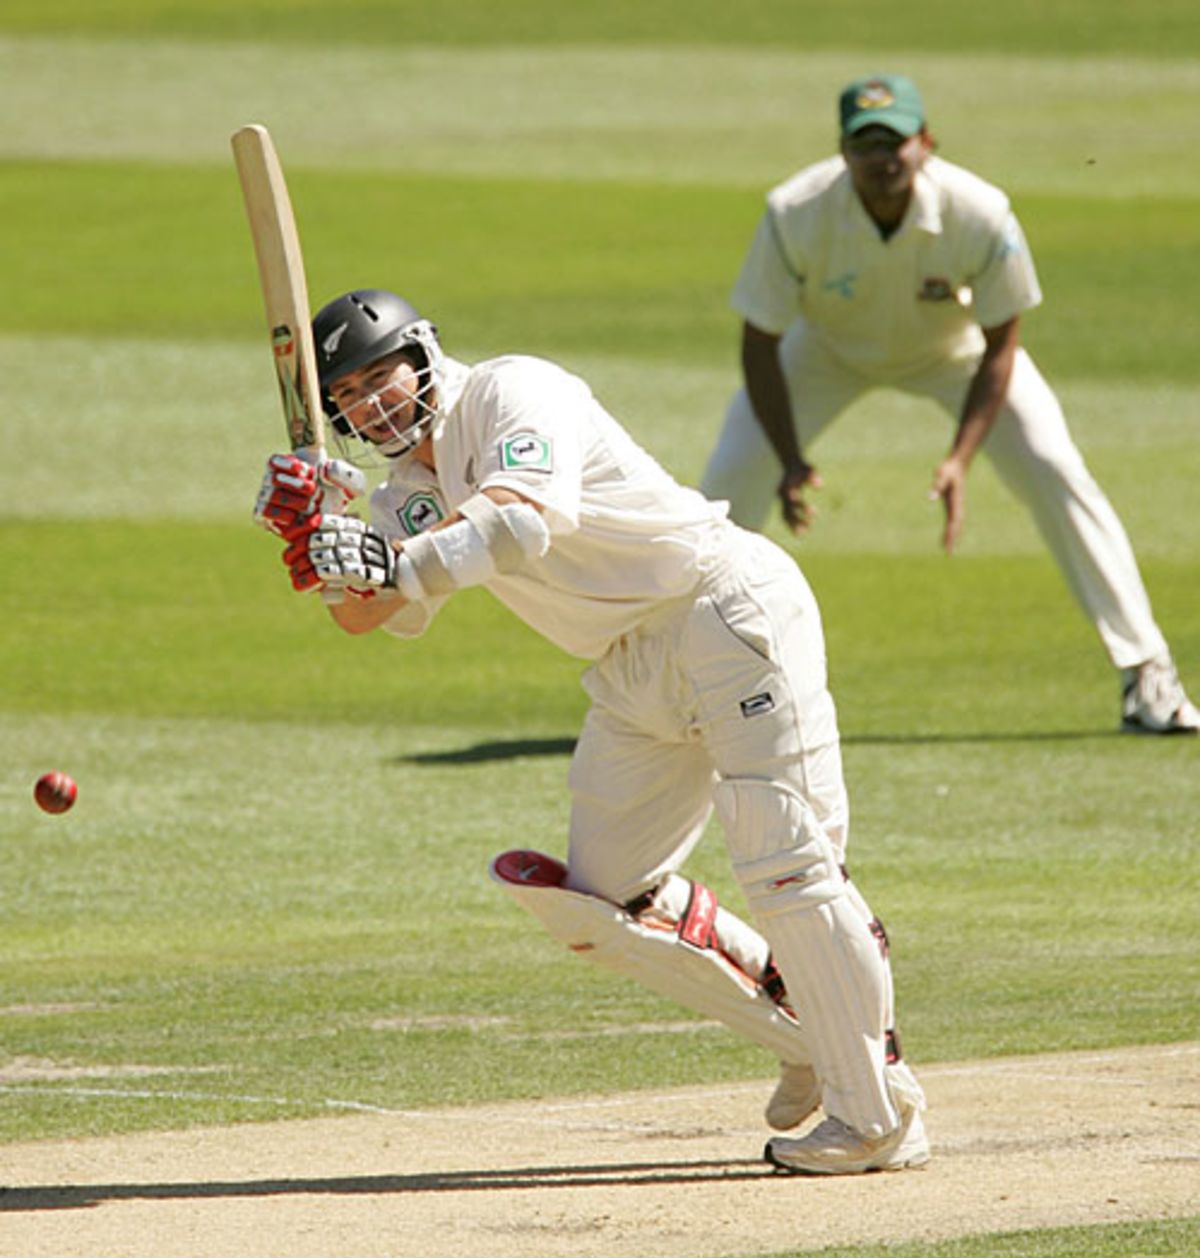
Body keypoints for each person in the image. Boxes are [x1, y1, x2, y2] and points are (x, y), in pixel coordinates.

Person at [253, 287, 928, 1175]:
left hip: (723, 609)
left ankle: (878, 1118)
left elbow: (524, 518)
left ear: (424, 356)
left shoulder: (510, 391)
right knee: (601, 898)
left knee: (787, 864)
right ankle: (814, 1034)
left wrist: (389, 559)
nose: (373, 403)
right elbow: (369, 616)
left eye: (383, 376)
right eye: (348, 396)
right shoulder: (407, 493)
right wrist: (318, 541)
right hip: (630, 670)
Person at [701, 73, 1198, 736]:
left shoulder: (980, 211)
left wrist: (961, 458)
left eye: (896, 143)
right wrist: (789, 458)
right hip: (823, 350)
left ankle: (1148, 675)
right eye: (865, 144)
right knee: (726, 488)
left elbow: (1000, 345)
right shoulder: (794, 210)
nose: (882, 159)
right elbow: (760, 342)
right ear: (843, 152)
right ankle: (680, 681)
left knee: (1053, 466)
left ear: (926, 143)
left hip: (954, 352)